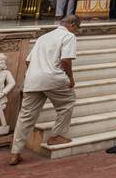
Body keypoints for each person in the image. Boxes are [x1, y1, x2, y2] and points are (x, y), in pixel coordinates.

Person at [9, 15, 80, 166]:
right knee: (67, 103)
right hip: (54, 78)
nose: (76, 31)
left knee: (26, 116)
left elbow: (28, 61)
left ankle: (15, 152)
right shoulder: (69, 36)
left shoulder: (44, 37)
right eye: (77, 28)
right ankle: (56, 136)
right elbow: (66, 60)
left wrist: (37, 73)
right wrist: (70, 78)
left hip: (33, 79)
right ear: (72, 25)